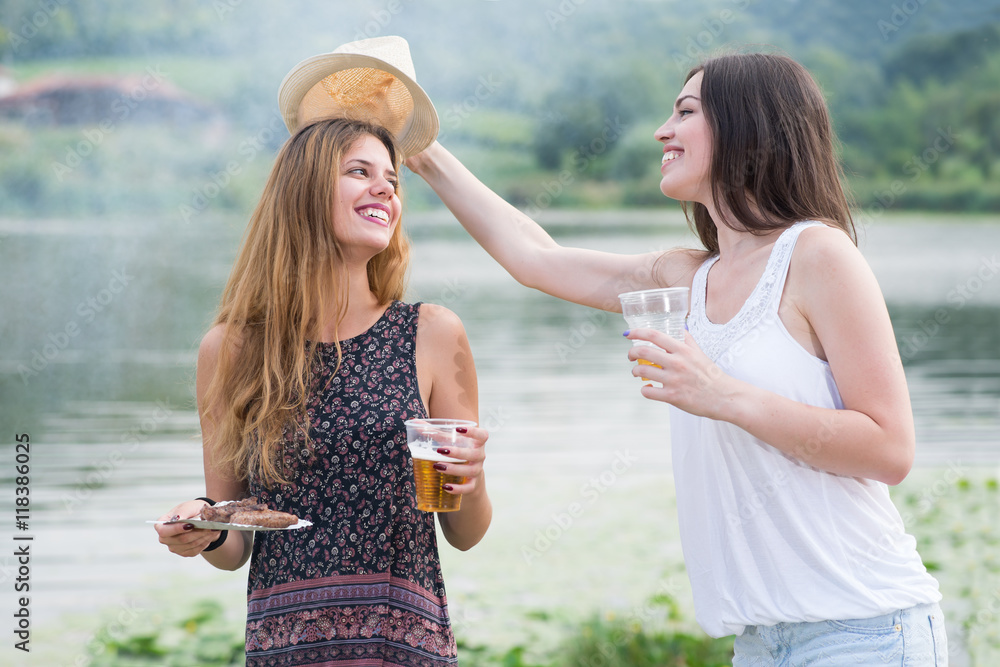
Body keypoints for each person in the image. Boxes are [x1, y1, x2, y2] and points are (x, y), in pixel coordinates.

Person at [405, 51, 948, 665]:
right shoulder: (687, 278)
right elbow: (535, 258)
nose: (663, 131)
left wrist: (722, 394)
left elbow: (890, 449)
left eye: (686, 112)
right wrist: (423, 150)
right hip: (760, 643)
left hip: (864, 630)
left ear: (749, 126)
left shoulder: (817, 255)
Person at [154, 117, 491, 666]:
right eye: (359, 172)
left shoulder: (432, 332)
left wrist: (470, 481)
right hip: (287, 649)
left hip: (403, 646)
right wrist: (205, 526)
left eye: (392, 180)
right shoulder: (231, 349)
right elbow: (235, 541)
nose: (385, 189)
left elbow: (465, 532)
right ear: (303, 190)